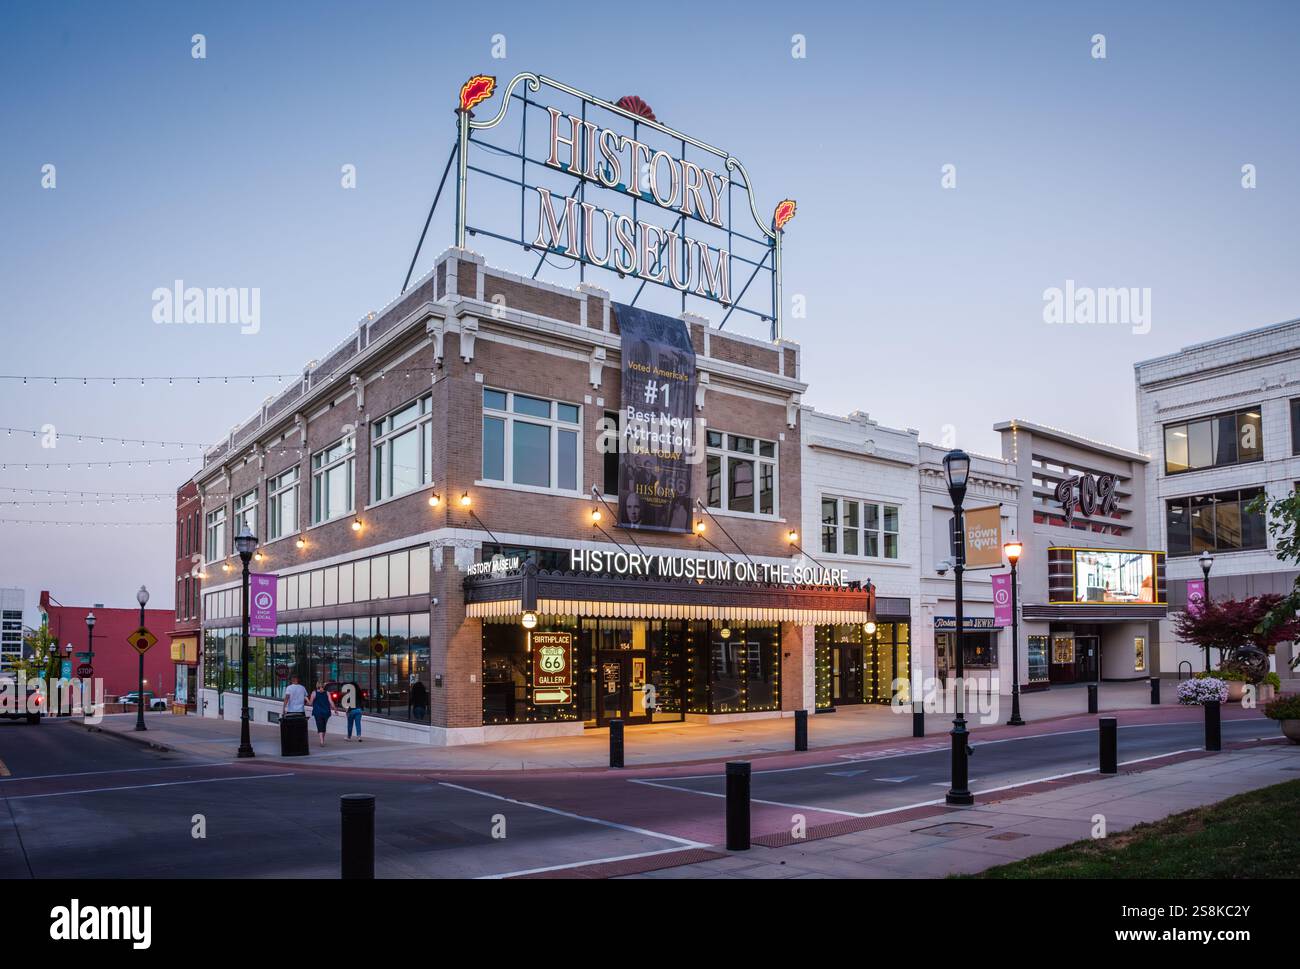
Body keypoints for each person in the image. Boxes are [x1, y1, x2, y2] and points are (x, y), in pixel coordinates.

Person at [308, 681, 336, 746]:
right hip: (326, 712)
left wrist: (306, 699)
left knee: (320, 726)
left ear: (317, 685)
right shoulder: (327, 693)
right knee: (323, 726)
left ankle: (321, 741)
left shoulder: (314, 693)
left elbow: (310, 703)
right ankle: (322, 740)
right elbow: (331, 702)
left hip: (318, 712)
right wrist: (335, 709)